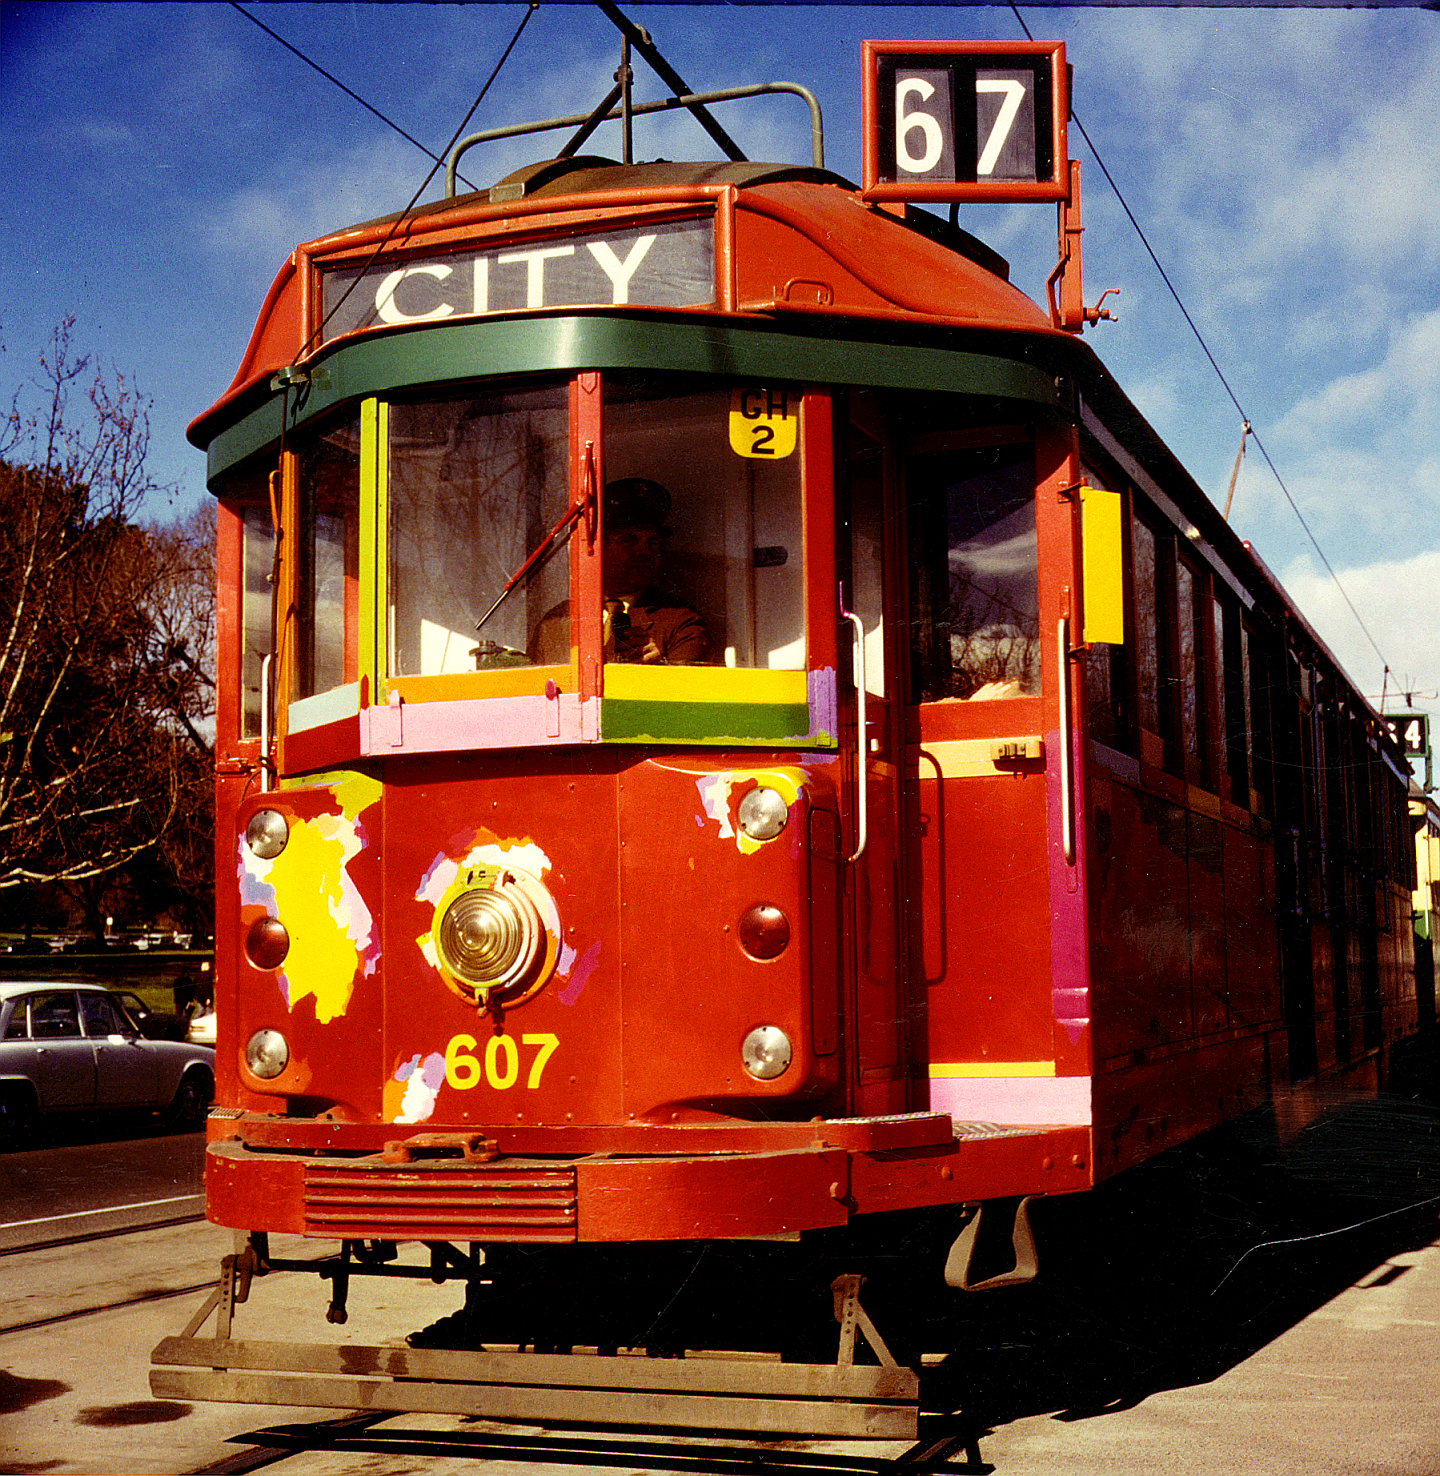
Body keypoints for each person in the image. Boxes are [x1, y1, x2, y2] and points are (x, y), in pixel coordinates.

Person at [532, 478, 706, 665]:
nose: (644, 552)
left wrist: (660, 666)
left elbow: (692, 689)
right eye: (628, 540)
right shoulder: (554, 623)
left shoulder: (680, 620)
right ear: (599, 549)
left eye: (652, 542)